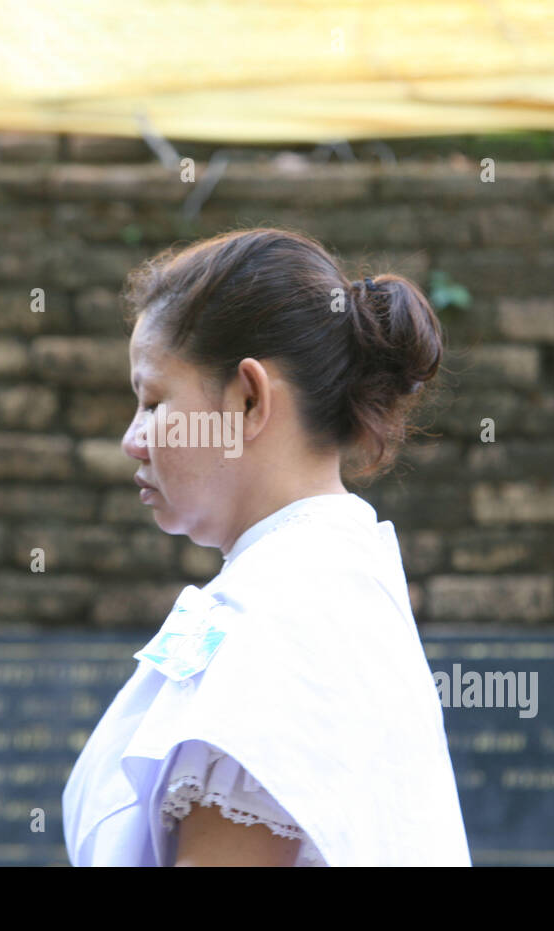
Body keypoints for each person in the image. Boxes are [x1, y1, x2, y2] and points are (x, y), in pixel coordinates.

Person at [61, 227, 471, 866]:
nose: (132, 439)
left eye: (152, 400)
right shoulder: (318, 586)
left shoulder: (287, 617)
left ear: (248, 400)